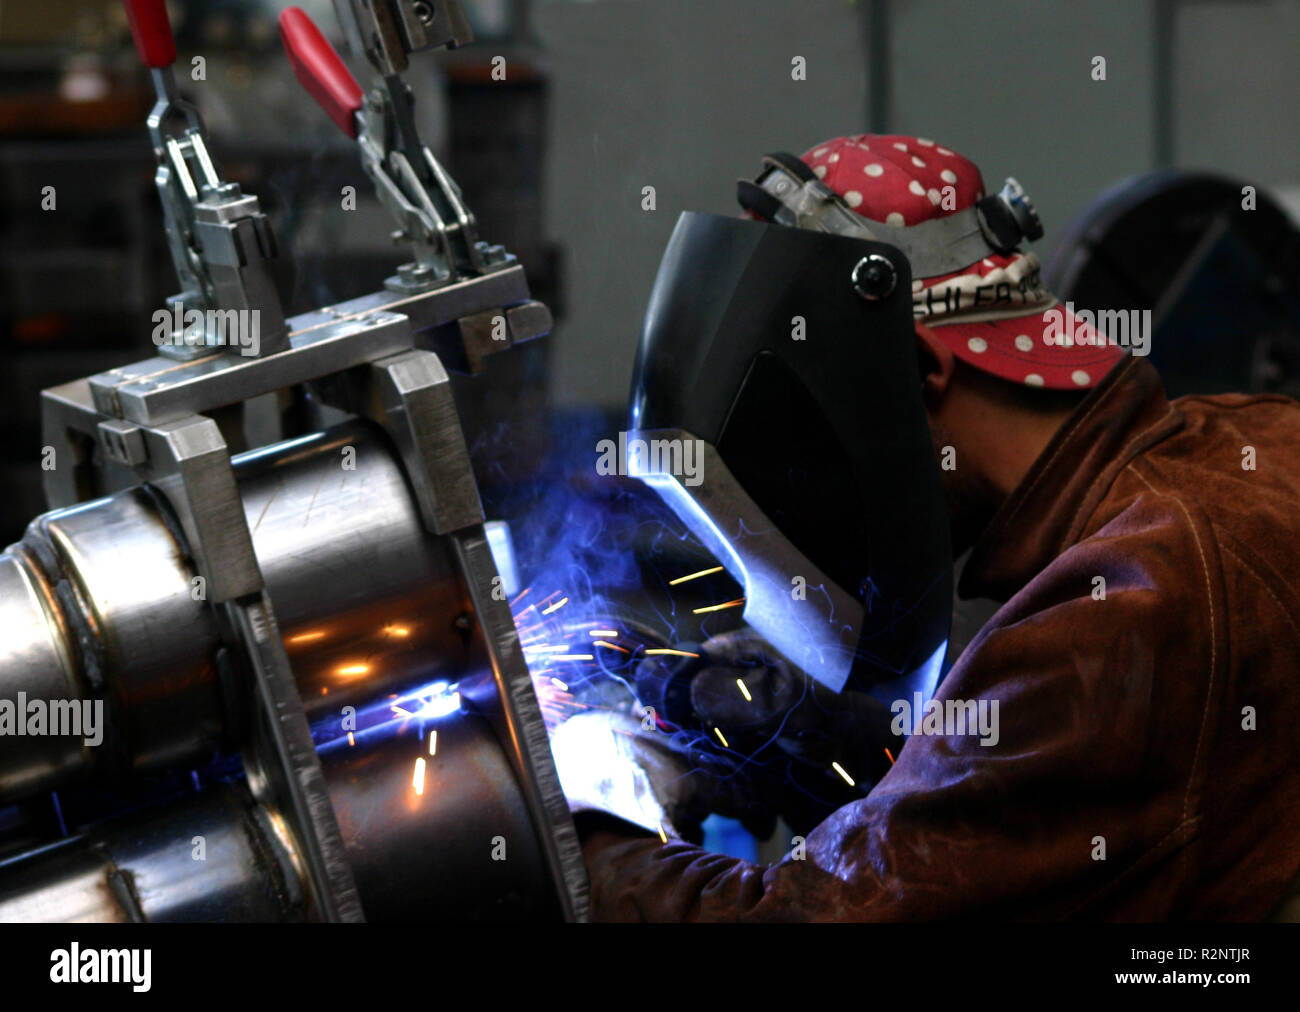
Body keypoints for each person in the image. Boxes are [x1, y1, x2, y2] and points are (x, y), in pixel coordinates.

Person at [575, 134, 1300, 920]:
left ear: (919, 369)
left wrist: (587, 824)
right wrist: (825, 732)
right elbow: (1043, 788)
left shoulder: (1135, 600)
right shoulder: (1248, 438)